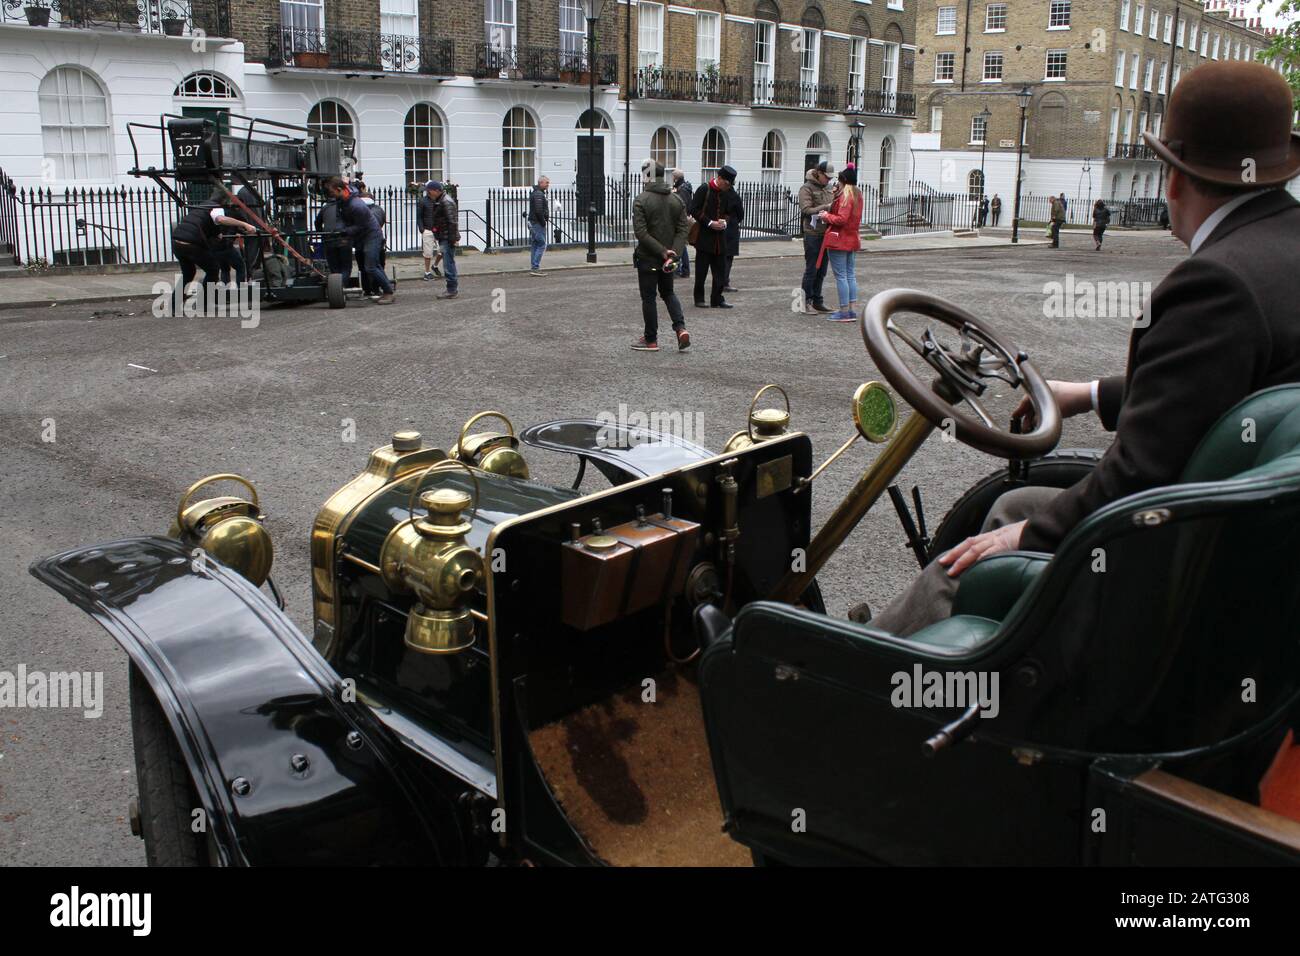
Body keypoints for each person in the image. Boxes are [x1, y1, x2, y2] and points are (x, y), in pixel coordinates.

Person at [862, 61, 1300, 637]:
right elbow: (1211, 393)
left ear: (1173, 178)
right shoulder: (1282, 249)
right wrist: (1088, 395)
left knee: (967, 562)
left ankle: (860, 676)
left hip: (1183, 560)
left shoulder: (1217, 283)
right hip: (1249, 537)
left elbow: (1140, 476)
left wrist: (1022, 541)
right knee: (1012, 505)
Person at [630, 159, 690, 353]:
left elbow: (641, 232)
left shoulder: (641, 200)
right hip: (669, 261)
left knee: (649, 298)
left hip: (649, 257)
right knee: (668, 293)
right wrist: (673, 254)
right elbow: (683, 230)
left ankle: (651, 340)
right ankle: (681, 329)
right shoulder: (677, 200)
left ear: (646, 176)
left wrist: (662, 251)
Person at [322, 176, 394, 304]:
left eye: (332, 192)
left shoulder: (356, 205)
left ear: (339, 189)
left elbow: (362, 225)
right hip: (363, 235)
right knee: (374, 265)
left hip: (371, 235)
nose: (330, 195)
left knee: (370, 267)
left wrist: (345, 232)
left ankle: (388, 292)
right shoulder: (343, 201)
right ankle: (387, 290)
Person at [170, 198, 257, 295]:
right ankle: (204, 301)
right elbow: (220, 219)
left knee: (188, 273)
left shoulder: (199, 209)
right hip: (193, 243)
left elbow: (207, 226)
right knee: (214, 270)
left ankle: (174, 303)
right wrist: (245, 225)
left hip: (176, 241)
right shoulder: (216, 207)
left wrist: (216, 234)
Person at [816, 164, 864, 323]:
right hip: (852, 238)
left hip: (839, 239)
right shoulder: (857, 195)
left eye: (839, 180)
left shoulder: (846, 196)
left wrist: (826, 216)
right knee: (850, 274)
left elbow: (842, 219)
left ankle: (844, 312)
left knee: (841, 276)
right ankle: (851, 310)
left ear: (843, 180)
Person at [689, 165, 737, 308]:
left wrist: (725, 222)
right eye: (726, 183)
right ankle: (699, 299)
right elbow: (693, 209)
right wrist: (709, 222)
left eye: (729, 184)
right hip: (704, 236)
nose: (727, 186)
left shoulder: (727, 192)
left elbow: (730, 212)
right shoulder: (704, 189)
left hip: (720, 238)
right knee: (701, 271)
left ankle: (717, 299)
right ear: (720, 178)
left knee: (720, 271)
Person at [798, 162, 836, 315]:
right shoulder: (806, 188)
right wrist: (826, 207)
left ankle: (817, 301)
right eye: (826, 177)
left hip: (826, 233)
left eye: (830, 178)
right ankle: (805, 303)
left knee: (822, 270)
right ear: (818, 173)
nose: (828, 180)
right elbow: (806, 210)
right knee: (812, 269)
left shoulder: (828, 187)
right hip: (813, 234)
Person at [426, 181, 460, 300]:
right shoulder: (442, 200)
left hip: (446, 237)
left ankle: (451, 290)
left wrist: (452, 239)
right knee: (448, 263)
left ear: (436, 190)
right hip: (445, 236)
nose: (428, 194)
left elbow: (452, 222)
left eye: (429, 191)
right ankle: (451, 289)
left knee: (448, 264)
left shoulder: (445, 201)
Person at [355, 185, 388, 295]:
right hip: (378, 241)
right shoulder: (379, 209)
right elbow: (381, 223)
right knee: (378, 265)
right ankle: (376, 288)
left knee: (364, 267)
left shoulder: (358, 211)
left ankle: (367, 290)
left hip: (361, 242)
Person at [315, 196, 352, 280]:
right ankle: (342, 285)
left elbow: (317, 222)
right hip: (344, 239)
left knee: (334, 267)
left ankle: (336, 286)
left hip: (329, 239)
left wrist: (322, 234)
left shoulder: (324, 208)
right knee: (346, 267)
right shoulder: (346, 207)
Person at [418, 181, 443, 280]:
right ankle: (427, 272)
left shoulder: (440, 200)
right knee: (428, 253)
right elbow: (419, 216)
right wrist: (421, 229)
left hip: (439, 229)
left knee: (442, 251)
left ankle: (435, 265)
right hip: (427, 229)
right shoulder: (423, 201)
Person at [722, 181, 744, 293]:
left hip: (719, 227)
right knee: (728, 257)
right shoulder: (734, 196)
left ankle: (719, 281)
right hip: (731, 228)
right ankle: (724, 282)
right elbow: (741, 214)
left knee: (719, 257)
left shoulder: (719, 194)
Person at [671, 169, 693, 278]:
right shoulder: (684, 187)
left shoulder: (682, 190)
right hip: (683, 221)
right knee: (682, 245)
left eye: (673, 177)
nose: (672, 179)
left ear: (676, 178)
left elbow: (681, 207)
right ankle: (684, 270)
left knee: (679, 245)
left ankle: (680, 270)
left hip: (681, 222)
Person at [528, 176, 550, 276]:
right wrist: (543, 221)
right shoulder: (538, 194)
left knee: (535, 245)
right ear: (541, 183)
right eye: (546, 183)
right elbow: (538, 210)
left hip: (533, 222)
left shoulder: (537, 193)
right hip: (537, 223)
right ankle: (535, 268)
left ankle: (534, 267)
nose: (548, 185)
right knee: (541, 244)